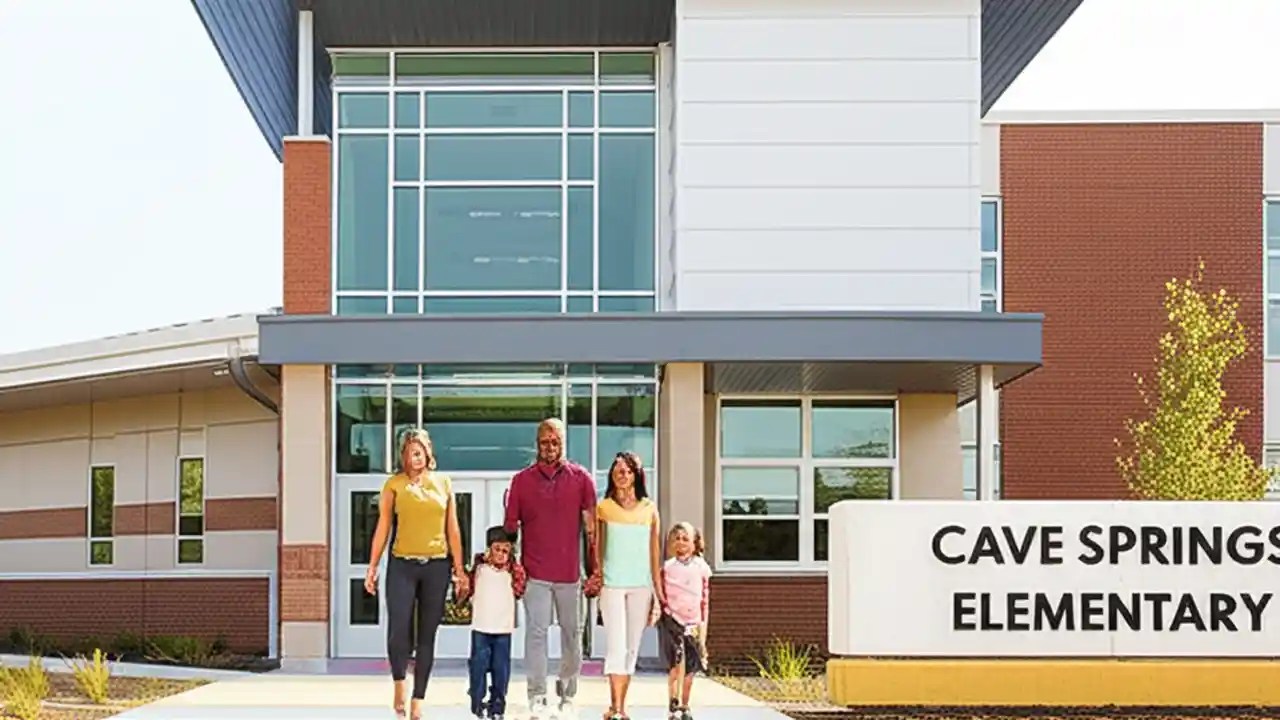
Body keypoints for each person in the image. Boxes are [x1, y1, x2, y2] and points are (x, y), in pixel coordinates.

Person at [365, 428, 470, 720]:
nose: (415, 456)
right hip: (402, 565)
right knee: (399, 629)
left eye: (419, 450)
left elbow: (453, 530)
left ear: (427, 452)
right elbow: (383, 527)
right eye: (410, 451)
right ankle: (399, 682)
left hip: (437, 566)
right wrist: (372, 566)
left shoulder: (443, 483)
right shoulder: (394, 485)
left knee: (427, 635)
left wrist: (459, 570)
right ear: (403, 455)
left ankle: (417, 699)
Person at [503, 417, 598, 720]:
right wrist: (513, 567)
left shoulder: (581, 479)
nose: (550, 447)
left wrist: (594, 569)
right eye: (545, 442)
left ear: (563, 443)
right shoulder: (521, 481)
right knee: (536, 635)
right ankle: (537, 696)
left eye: (555, 441)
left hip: (570, 574)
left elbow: (591, 530)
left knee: (573, 635)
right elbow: (509, 529)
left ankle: (567, 692)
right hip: (536, 574)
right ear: (537, 444)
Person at [593, 451, 663, 720]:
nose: (622, 475)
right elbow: (597, 549)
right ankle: (617, 707)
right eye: (617, 470)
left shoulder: (650, 509)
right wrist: (597, 577)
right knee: (616, 645)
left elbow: (654, 554)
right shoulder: (604, 507)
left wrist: (658, 594)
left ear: (636, 475)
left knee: (632, 646)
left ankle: (620, 706)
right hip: (612, 586)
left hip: (641, 586)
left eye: (627, 470)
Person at [458, 526, 527, 720]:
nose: (500, 555)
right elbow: (467, 590)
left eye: (505, 551)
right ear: (489, 549)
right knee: (478, 665)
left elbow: (520, 589)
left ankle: (497, 704)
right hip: (481, 626)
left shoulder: (513, 572)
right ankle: (477, 700)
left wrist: (517, 568)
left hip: (503, 629)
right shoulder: (479, 569)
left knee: (501, 668)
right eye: (497, 549)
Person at [657, 522, 712, 720]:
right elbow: (661, 591)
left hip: (693, 623)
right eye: (677, 538)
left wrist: (702, 628)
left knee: (689, 670)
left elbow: (705, 598)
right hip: (673, 620)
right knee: (675, 665)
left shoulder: (701, 567)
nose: (681, 543)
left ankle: (685, 705)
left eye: (685, 539)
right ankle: (673, 703)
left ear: (695, 543)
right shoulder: (668, 567)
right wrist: (664, 611)